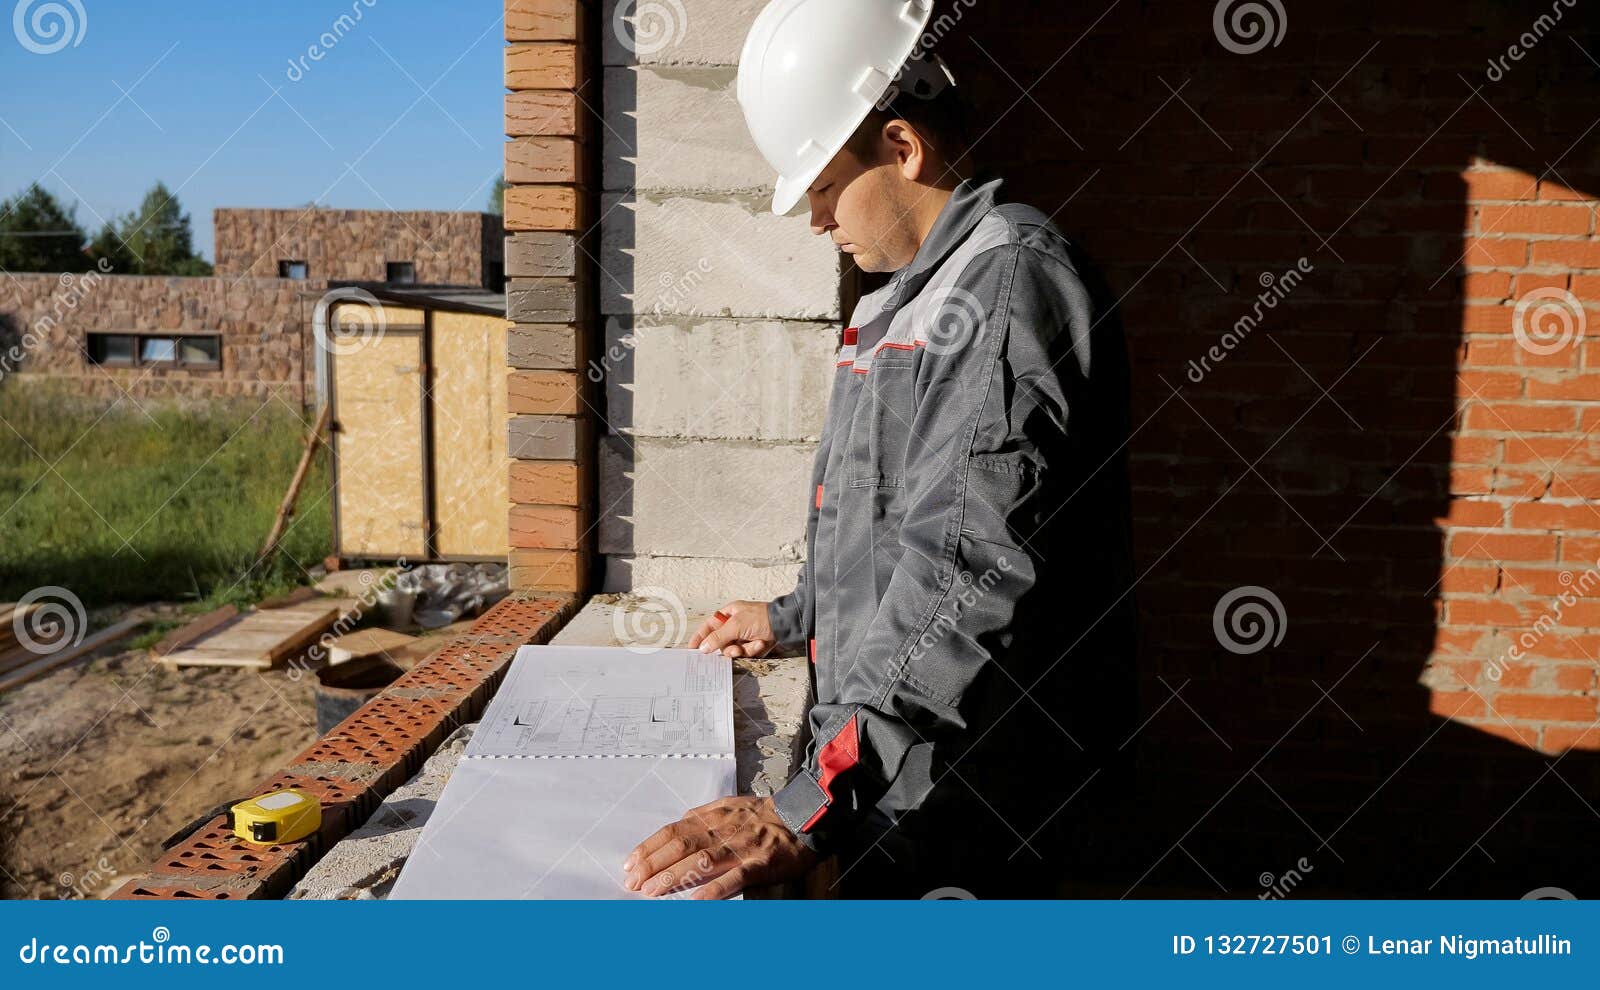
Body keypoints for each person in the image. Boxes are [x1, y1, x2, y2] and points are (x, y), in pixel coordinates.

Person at [623, 0, 1137, 899]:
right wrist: (794, 615)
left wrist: (804, 806)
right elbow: (886, 523)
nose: (815, 220)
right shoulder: (905, 301)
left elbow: (965, 569)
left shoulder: (1004, 285)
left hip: (972, 799)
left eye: (823, 186)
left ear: (902, 148)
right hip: (896, 779)